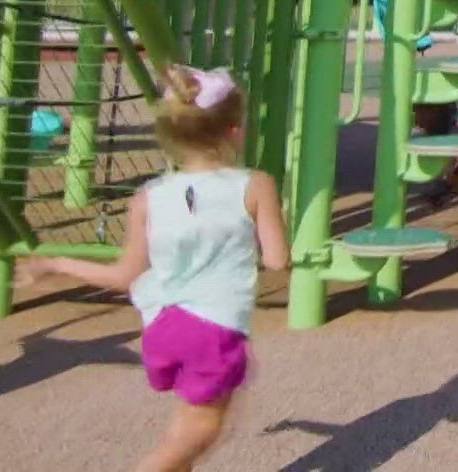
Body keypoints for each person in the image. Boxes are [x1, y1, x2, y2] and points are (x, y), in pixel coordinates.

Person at [19, 65, 289, 471]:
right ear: (235, 131)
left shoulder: (149, 195)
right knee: (203, 431)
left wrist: (57, 262)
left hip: (162, 325)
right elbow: (277, 260)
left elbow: (123, 275)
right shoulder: (255, 185)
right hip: (213, 328)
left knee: (185, 424)